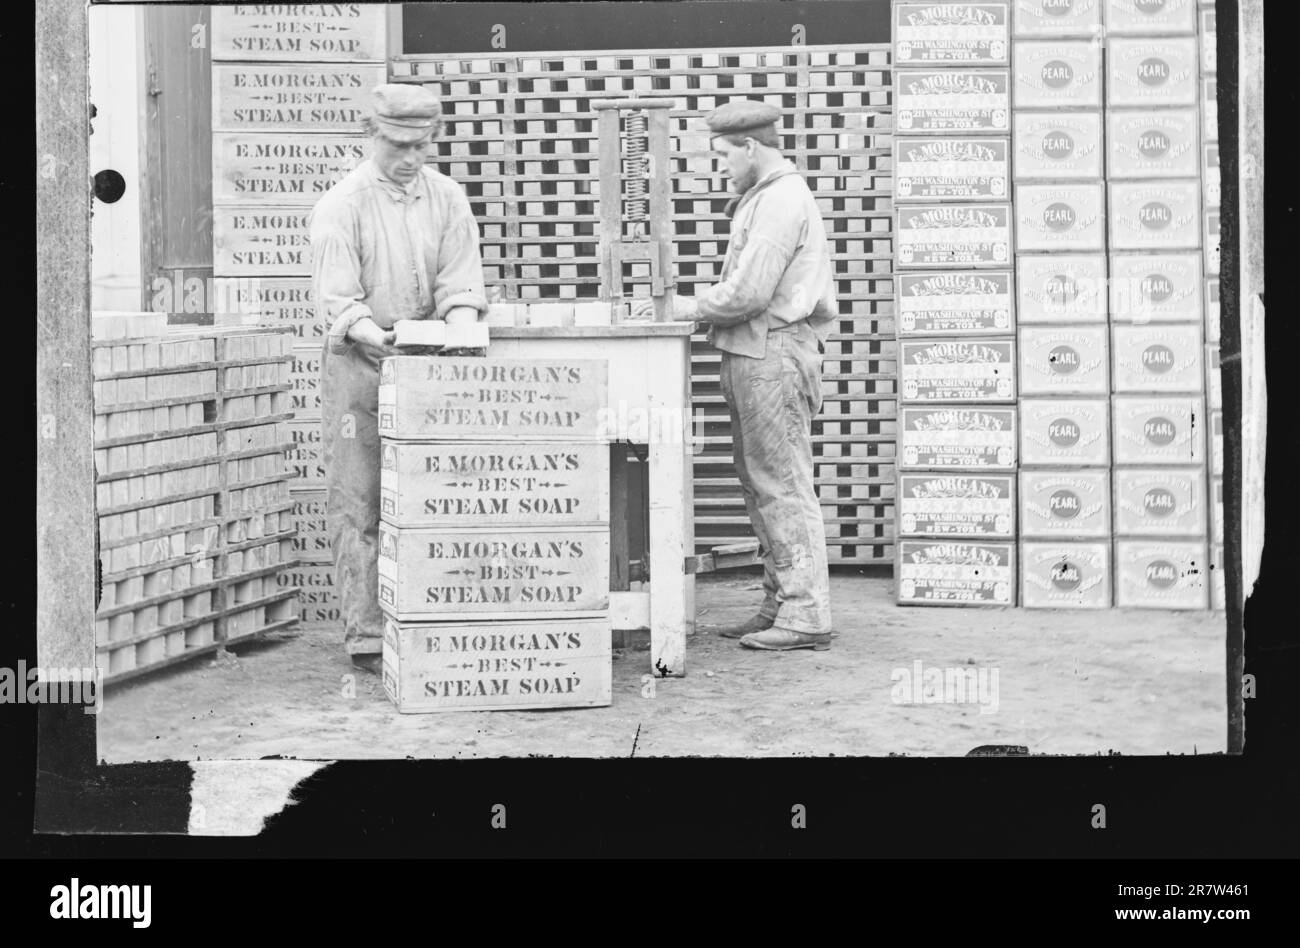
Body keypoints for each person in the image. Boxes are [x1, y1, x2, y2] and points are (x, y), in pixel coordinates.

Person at [640, 99, 835, 651]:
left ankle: (806, 614)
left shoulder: (781, 201)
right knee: (761, 483)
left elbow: (748, 293)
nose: (720, 166)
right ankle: (781, 602)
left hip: (774, 353)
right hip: (756, 353)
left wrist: (680, 307)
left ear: (751, 147)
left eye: (724, 155)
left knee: (783, 485)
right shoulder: (764, 197)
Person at [309, 84, 488, 670]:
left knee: (433, 498)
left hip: (427, 364)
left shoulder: (448, 198)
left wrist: (458, 333)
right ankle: (366, 635)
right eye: (398, 145)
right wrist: (378, 337)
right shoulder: (342, 205)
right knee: (359, 501)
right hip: (359, 365)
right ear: (371, 135)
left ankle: (430, 622)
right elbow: (339, 301)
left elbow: (460, 283)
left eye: (421, 145)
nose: (410, 158)